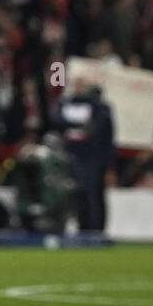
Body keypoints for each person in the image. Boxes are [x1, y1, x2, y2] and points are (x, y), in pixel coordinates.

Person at [54, 78, 116, 234]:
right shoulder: (66, 104)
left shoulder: (100, 108)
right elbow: (56, 119)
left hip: (93, 158)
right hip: (73, 156)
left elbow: (100, 131)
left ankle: (96, 229)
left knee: (93, 194)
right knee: (78, 194)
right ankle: (83, 228)